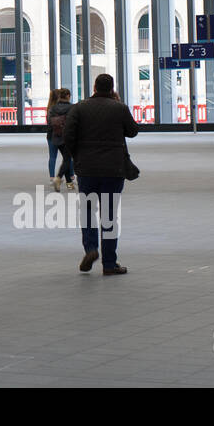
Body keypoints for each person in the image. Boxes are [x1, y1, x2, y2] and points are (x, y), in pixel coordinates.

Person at [62, 73, 139, 276]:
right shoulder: (119, 108)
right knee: (109, 215)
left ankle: (91, 249)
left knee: (87, 211)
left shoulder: (79, 107)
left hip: (86, 168)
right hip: (113, 169)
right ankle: (110, 264)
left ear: (94, 87)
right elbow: (132, 131)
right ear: (112, 88)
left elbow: (68, 135)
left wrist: (77, 156)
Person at [46, 88, 75, 192]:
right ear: (67, 96)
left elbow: (49, 123)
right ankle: (60, 179)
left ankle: (67, 183)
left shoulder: (52, 108)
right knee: (67, 159)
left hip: (54, 136)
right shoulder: (72, 108)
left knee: (59, 158)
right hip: (67, 137)